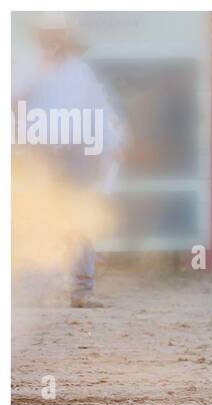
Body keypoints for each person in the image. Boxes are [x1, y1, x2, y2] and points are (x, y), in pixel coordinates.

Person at [14, 14, 122, 307]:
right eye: (50, 35)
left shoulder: (80, 72)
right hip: (38, 154)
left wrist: (107, 149)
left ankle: (81, 290)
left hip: (74, 155)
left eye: (58, 35)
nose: (54, 41)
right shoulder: (27, 67)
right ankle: (33, 290)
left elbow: (98, 113)